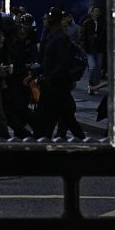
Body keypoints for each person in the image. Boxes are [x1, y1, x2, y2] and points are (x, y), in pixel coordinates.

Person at [32, 9, 85, 139]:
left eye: (46, 19)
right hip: (52, 85)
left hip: (56, 85)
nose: (44, 21)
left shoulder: (60, 38)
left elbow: (63, 63)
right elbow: (47, 61)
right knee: (64, 117)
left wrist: (48, 78)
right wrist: (36, 74)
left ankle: (41, 141)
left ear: (51, 21)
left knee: (51, 117)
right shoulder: (50, 36)